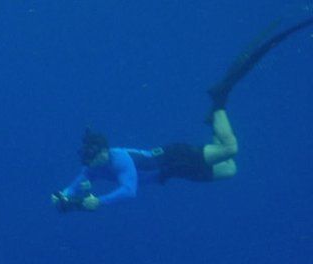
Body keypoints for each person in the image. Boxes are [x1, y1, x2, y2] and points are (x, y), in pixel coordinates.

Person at [53, 17, 313, 212]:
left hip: (175, 157)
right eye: (92, 159)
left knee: (231, 148)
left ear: (104, 151)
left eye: (98, 156)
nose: (96, 161)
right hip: (173, 172)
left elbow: (129, 190)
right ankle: (216, 120)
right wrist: (62, 195)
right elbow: (75, 184)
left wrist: (100, 201)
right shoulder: (92, 168)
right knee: (230, 169)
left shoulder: (119, 160)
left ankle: (219, 100)